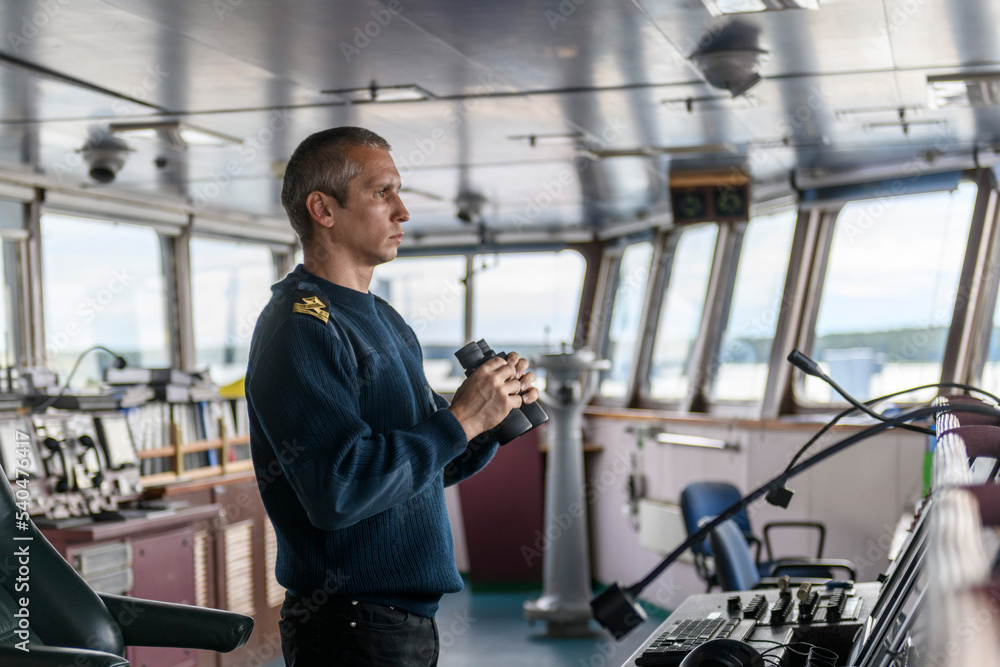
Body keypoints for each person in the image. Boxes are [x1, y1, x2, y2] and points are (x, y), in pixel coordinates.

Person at [245, 126, 540, 666]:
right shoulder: (300, 326)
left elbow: (424, 466)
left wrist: (489, 418)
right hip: (349, 623)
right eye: (383, 193)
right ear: (324, 210)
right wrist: (458, 422)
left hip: (400, 620)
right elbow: (340, 491)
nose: (402, 211)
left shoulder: (385, 319)